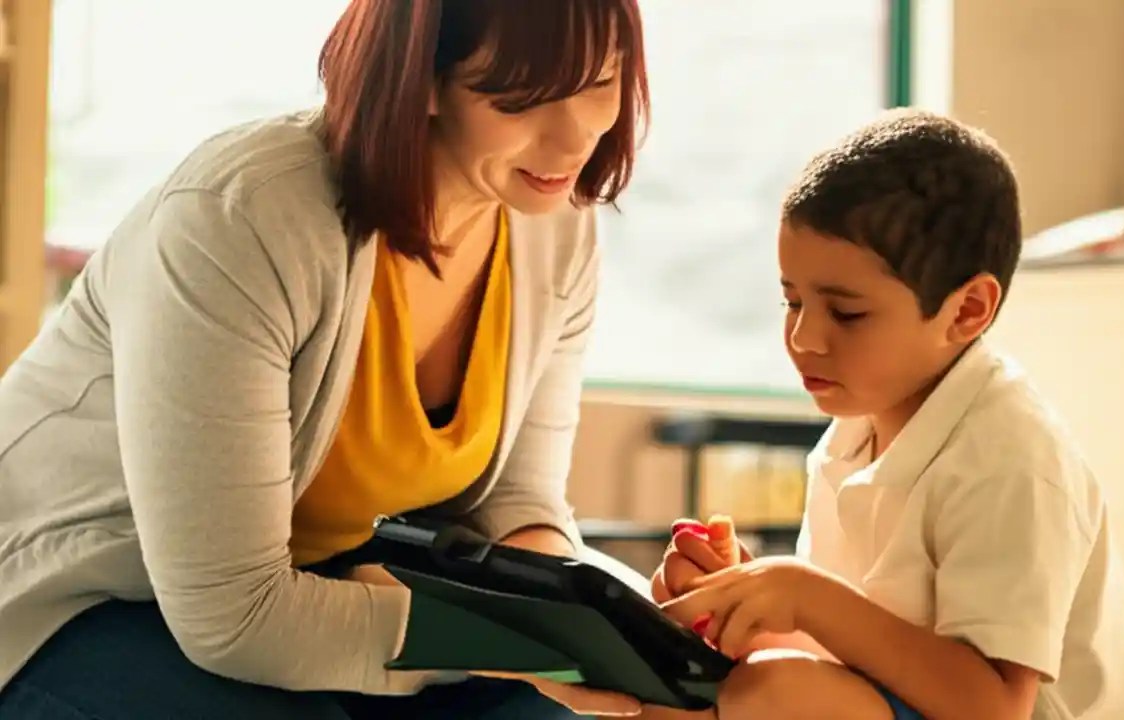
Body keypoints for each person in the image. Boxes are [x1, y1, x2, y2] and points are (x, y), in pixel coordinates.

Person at [0, 1, 649, 717]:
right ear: (421, 81)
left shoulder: (552, 228)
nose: (572, 143)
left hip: (315, 595)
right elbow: (233, 618)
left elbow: (518, 505)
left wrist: (614, 624)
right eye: (523, 98)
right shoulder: (240, 218)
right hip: (87, 600)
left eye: (599, 84)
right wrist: (522, 644)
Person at [646, 109, 1124, 719]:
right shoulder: (856, 433)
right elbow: (853, 656)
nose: (804, 338)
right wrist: (746, 603)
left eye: (848, 313)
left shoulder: (1009, 458)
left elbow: (991, 707)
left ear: (966, 311)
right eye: (792, 300)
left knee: (771, 695)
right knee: (671, 689)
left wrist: (808, 596)